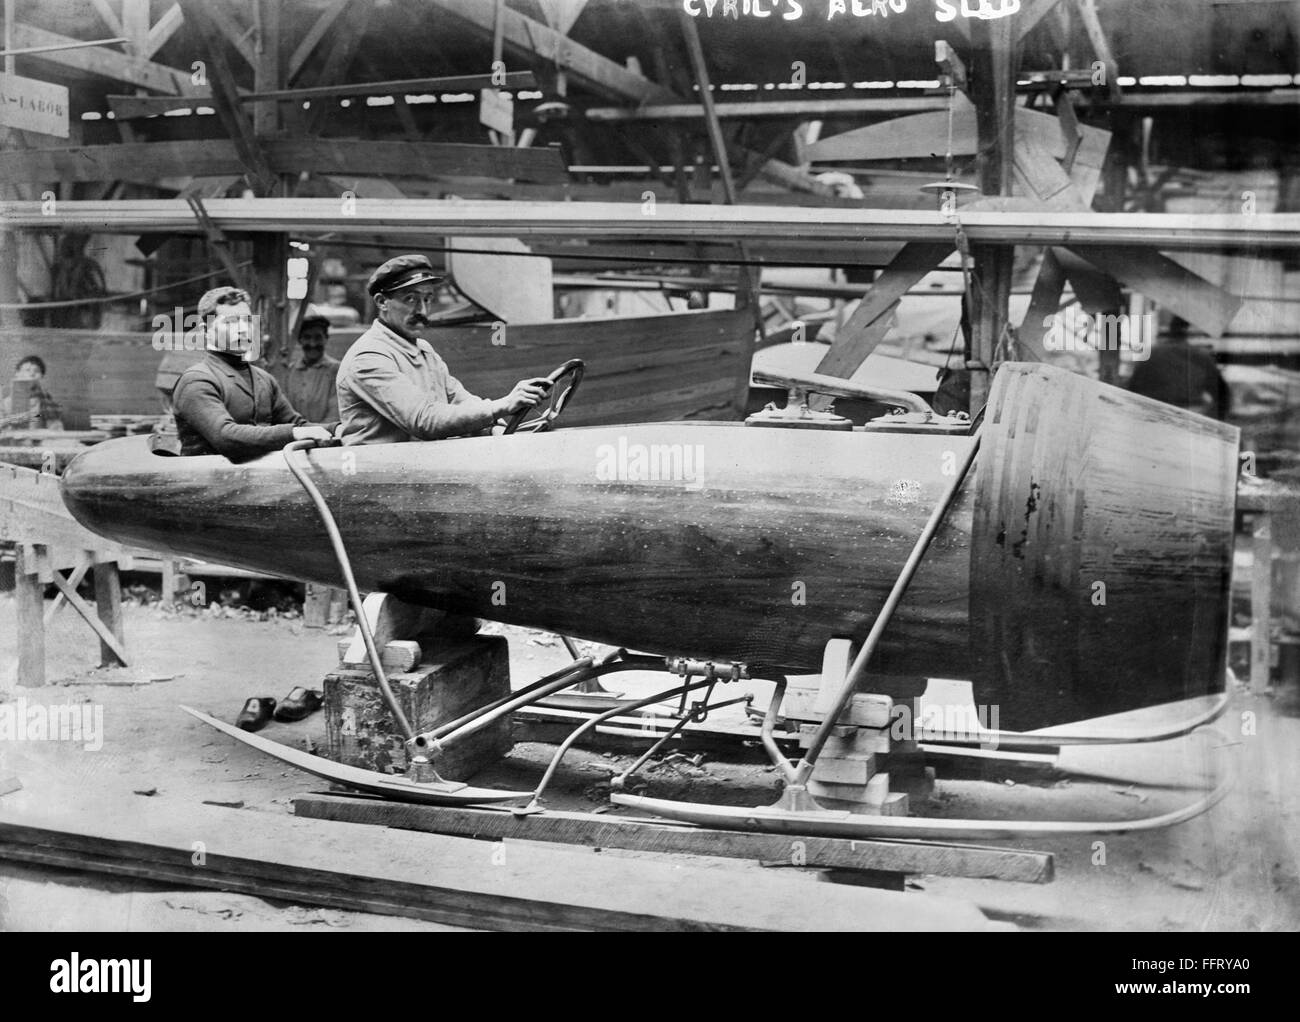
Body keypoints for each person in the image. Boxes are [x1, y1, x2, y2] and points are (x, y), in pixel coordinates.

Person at [336, 254, 548, 445]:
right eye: (410, 299)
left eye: (427, 299)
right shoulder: (369, 357)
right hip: (374, 479)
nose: (423, 310)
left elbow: (459, 399)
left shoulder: (423, 349)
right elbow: (424, 420)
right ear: (382, 302)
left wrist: (493, 426)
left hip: (414, 473)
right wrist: (500, 406)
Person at [171, 286, 334, 460]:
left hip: (256, 480)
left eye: (247, 320)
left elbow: (297, 424)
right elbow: (225, 435)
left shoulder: (263, 379)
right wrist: (293, 433)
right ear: (205, 330)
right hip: (207, 483)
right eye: (231, 322)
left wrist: (337, 429)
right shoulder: (197, 380)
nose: (243, 329)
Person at [1128, 317, 1231, 420]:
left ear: (1171, 329)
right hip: (1187, 420)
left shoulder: (1150, 355)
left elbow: (1131, 390)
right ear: (1188, 331)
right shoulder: (1200, 358)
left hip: (1152, 417)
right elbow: (1223, 396)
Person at [286, 306, 341, 423]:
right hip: (293, 438)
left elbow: (335, 415)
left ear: (326, 338)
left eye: (318, 337)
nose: (312, 343)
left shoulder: (336, 370)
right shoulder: (290, 371)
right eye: (307, 337)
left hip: (325, 437)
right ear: (300, 340)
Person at [3, 354, 62, 429]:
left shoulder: (47, 402)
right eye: (27, 370)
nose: (31, 374)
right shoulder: (5, 403)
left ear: (41, 377)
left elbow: (55, 428)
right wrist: (7, 421)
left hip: (37, 438)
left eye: (37, 371)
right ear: (17, 374)